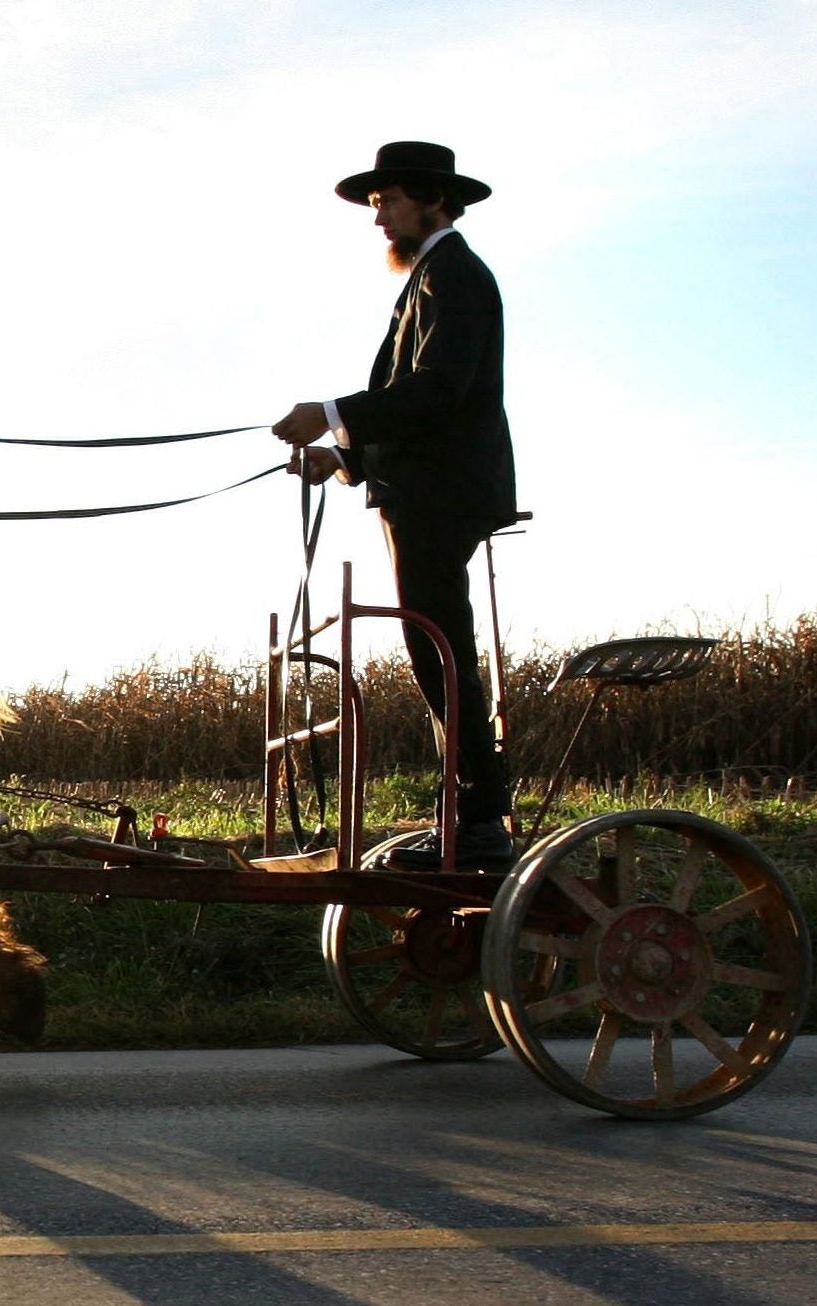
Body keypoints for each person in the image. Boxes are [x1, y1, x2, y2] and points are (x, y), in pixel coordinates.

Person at [273, 141, 519, 871]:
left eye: (388, 202)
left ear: (433, 200)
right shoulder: (431, 279)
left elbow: (438, 392)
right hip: (427, 488)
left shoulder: (454, 276)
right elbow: (414, 407)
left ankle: (480, 822)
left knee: (440, 650)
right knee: (433, 648)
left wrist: (330, 414)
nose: (379, 218)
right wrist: (342, 457)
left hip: (440, 494)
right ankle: (470, 815)